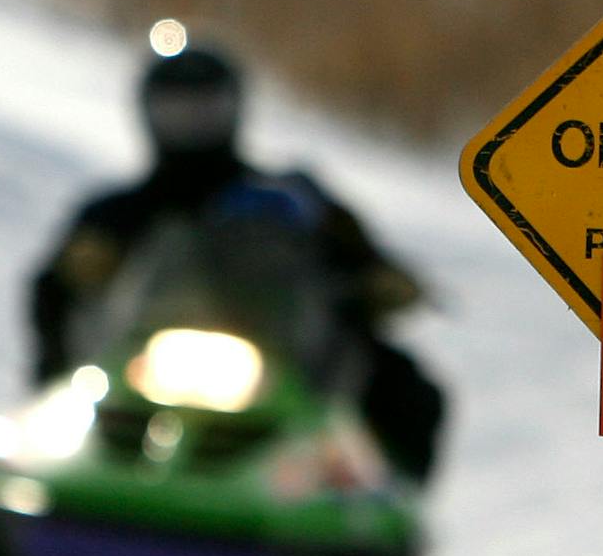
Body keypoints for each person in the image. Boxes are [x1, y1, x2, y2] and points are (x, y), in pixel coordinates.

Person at [27, 32, 447, 482]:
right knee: (48, 405)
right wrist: (75, 278)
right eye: (177, 110)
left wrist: (377, 280)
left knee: (410, 391)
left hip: (279, 367)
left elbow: (359, 254)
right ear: (149, 112)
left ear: (233, 108)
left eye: (204, 109)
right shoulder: (119, 211)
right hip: (140, 365)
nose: (191, 124)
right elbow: (52, 289)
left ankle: (383, 502)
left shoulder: (291, 200)